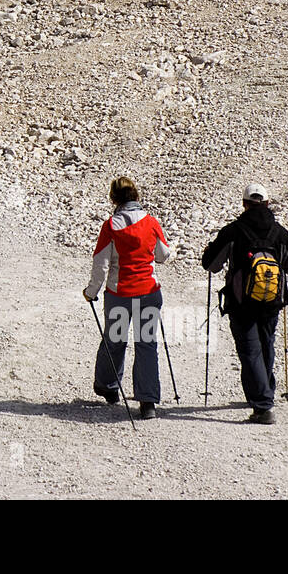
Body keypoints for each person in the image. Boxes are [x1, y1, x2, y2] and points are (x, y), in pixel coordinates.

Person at [201, 182, 288, 425]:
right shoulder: (279, 232)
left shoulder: (234, 230)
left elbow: (211, 265)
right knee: (266, 344)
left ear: (245, 204)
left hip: (241, 301)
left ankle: (263, 405)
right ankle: (262, 390)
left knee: (249, 350)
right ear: (268, 204)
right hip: (272, 301)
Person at [84, 176, 173, 419]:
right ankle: (148, 402)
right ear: (136, 196)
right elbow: (164, 255)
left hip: (120, 293)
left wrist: (91, 292)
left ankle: (109, 387)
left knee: (115, 339)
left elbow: (100, 265)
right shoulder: (151, 222)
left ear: (114, 198)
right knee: (146, 344)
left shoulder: (110, 226)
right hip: (149, 292)